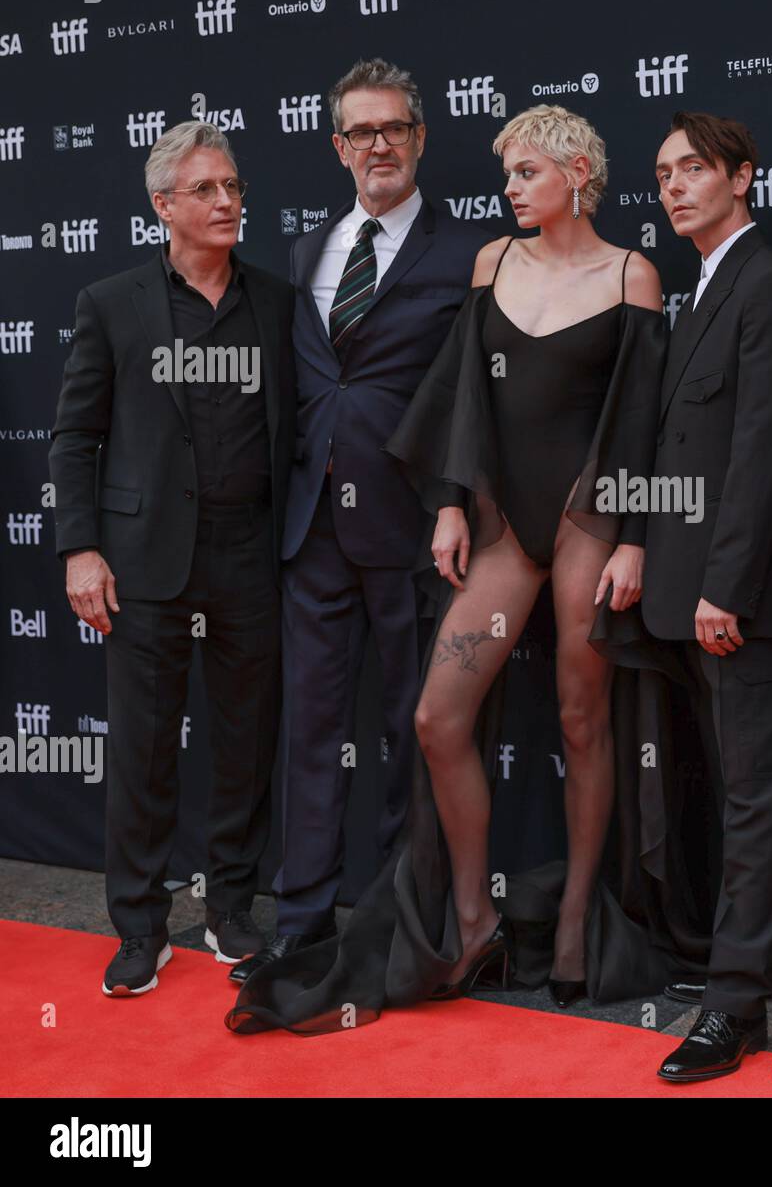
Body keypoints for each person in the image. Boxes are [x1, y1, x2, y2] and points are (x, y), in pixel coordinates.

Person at [225, 105, 667, 1034]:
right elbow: (464, 396)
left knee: (583, 722)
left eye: (527, 173)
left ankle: (578, 923)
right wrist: (454, 505)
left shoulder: (632, 274)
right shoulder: (493, 263)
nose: (509, 189)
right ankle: (472, 919)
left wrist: (629, 534)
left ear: (577, 174)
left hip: (588, 518)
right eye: (507, 174)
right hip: (503, 523)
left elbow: (638, 420)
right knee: (437, 717)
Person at [231, 58, 488, 986]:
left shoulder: (470, 256)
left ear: (420, 138)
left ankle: (393, 921)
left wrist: (453, 498)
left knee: (414, 733)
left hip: (417, 530)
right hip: (313, 530)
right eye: (361, 132)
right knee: (309, 729)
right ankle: (302, 921)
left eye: (394, 129)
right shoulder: (309, 250)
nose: (379, 145)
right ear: (338, 147)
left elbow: (473, 396)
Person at [49, 120, 296, 994]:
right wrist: (81, 549)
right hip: (143, 559)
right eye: (206, 190)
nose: (227, 202)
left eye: (233, 187)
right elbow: (75, 437)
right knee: (143, 751)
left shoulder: (276, 301)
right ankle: (139, 927)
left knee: (245, 744)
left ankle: (230, 910)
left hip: (250, 558)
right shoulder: (111, 302)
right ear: (162, 205)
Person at [643, 112, 772, 1083]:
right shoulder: (709, 283)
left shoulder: (770, 283)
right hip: (690, 595)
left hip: (742, 603)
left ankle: (734, 1008)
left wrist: (725, 588)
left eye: (693, 169)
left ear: (743, 176)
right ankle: (747, 969)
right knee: (737, 798)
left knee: (755, 804)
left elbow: (763, 451)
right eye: (664, 173)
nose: (674, 186)